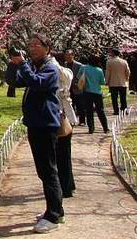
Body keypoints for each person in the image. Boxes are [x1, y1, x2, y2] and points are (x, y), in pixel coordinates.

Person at [5, 34, 64, 233]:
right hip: (36, 124)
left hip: (46, 124)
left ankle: (53, 216)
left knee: (48, 170)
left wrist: (22, 64)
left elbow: (36, 83)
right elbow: (15, 82)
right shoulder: (34, 65)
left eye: (37, 45)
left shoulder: (50, 68)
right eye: (30, 45)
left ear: (48, 48)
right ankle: (55, 210)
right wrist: (13, 64)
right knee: (43, 170)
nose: (33, 48)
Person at [52, 57, 76, 198]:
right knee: (65, 155)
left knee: (59, 155)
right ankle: (68, 185)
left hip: (60, 118)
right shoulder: (66, 74)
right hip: (66, 117)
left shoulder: (60, 74)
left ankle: (64, 187)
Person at [76, 57, 109, 134]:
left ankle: (91, 128)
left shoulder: (84, 67)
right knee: (100, 110)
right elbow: (102, 82)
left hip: (87, 92)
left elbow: (78, 77)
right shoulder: (99, 70)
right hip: (97, 92)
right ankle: (105, 127)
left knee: (89, 111)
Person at [61, 49, 85, 126]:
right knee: (70, 105)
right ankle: (71, 121)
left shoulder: (79, 65)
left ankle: (82, 121)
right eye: (66, 55)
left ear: (72, 55)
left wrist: (77, 83)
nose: (67, 57)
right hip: (67, 89)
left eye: (69, 55)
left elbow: (82, 77)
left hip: (77, 88)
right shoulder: (64, 65)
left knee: (80, 105)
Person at [105, 48, 130, 115]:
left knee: (114, 98)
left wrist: (106, 81)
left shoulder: (109, 62)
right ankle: (124, 109)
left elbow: (108, 73)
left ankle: (116, 110)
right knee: (123, 97)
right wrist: (126, 79)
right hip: (122, 82)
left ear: (113, 53)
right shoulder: (124, 61)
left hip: (113, 82)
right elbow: (128, 72)